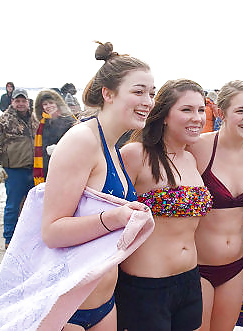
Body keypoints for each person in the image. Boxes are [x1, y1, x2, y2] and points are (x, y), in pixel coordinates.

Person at [40, 41, 155, 330]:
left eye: (151, 93)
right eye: (138, 91)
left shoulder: (113, 146)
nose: (148, 101)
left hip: (103, 303)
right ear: (109, 93)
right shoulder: (82, 141)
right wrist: (114, 218)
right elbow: (52, 231)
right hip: (68, 309)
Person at [117, 79, 212, 330]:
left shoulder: (190, 159)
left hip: (190, 280)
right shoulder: (136, 154)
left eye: (201, 110)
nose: (197, 117)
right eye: (187, 109)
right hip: (146, 284)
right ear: (165, 115)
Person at [187, 80, 243, 330]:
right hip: (197, 266)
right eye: (240, 111)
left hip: (235, 267)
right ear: (222, 113)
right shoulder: (198, 147)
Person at [0, 88, 39, 246]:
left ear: (28, 102)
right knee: (13, 206)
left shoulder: (35, 119)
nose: (21, 104)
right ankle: (9, 239)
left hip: (35, 169)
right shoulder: (3, 120)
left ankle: (32, 238)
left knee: (35, 205)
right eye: (18, 101)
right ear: (12, 102)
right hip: (14, 170)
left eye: (24, 101)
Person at [33, 89, 77, 185]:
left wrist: (59, 149)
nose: (48, 106)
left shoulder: (69, 120)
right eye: (45, 104)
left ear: (57, 103)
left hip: (67, 168)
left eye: (51, 103)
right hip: (48, 168)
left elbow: (78, 144)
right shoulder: (43, 124)